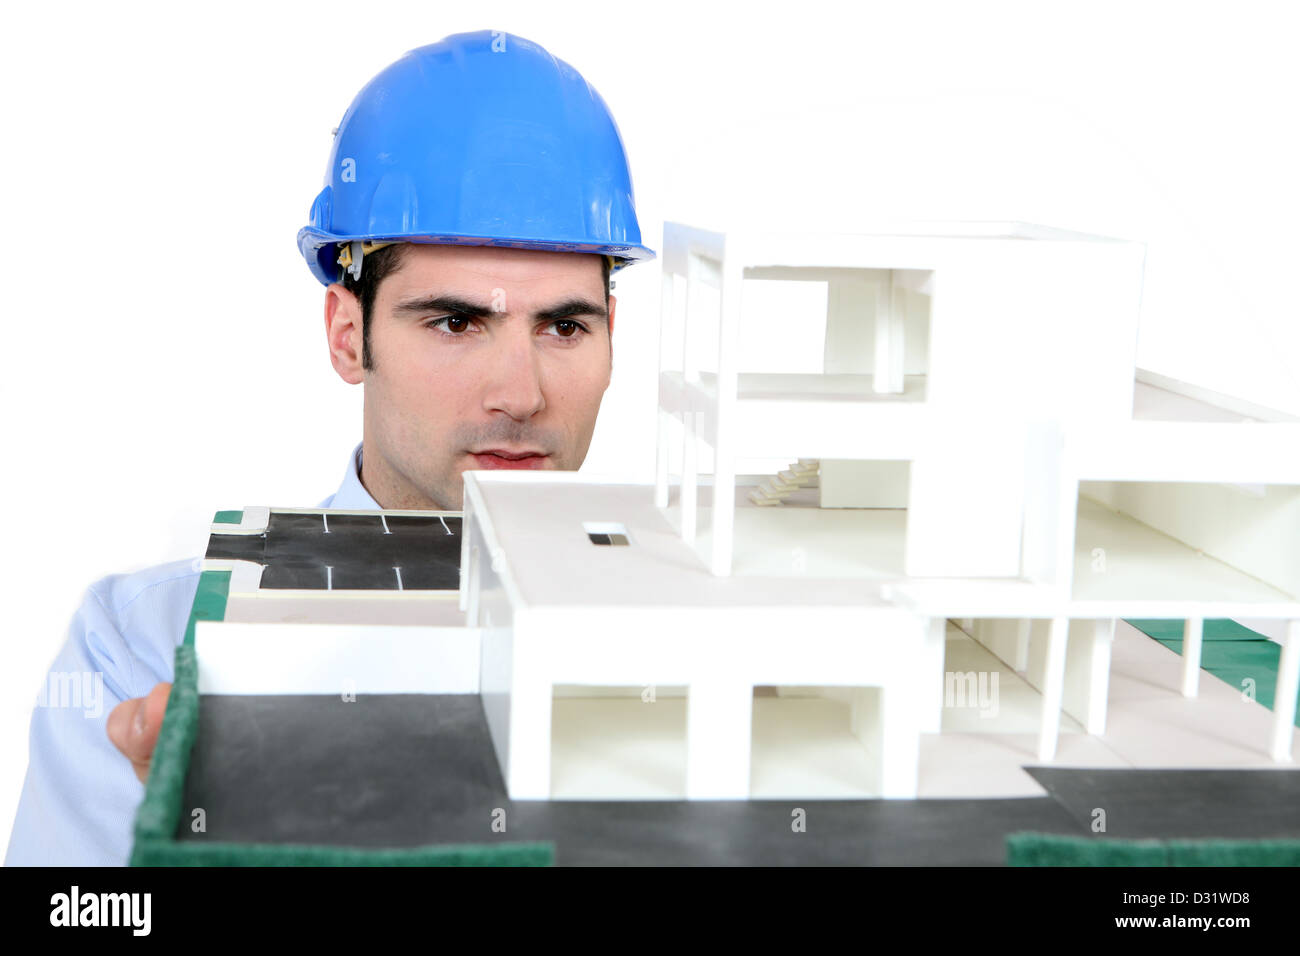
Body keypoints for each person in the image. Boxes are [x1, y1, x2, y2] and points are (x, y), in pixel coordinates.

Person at [4, 29, 653, 866]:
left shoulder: (718, 653)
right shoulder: (140, 654)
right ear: (348, 336)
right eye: (456, 322)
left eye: (564, 326)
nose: (521, 395)